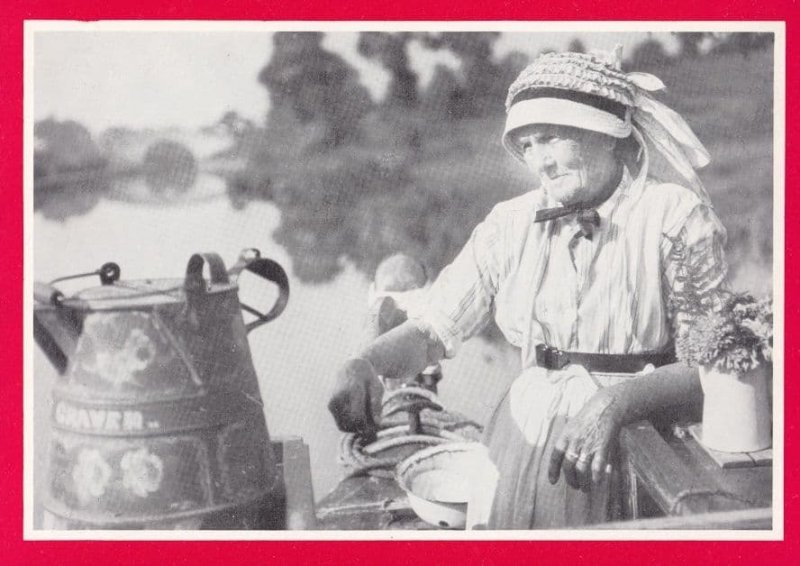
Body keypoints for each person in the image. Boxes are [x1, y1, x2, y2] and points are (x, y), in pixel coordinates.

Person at [328, 47, 728, 529]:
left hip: (634, 444)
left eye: (551, 138)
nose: (541, 162)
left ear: (606, 132)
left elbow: (712, 369)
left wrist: (616, 403)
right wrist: (365, 363)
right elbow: (432, 330)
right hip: (523, 443)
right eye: (528, 145)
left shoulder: (674, 217)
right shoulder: (509, 224)